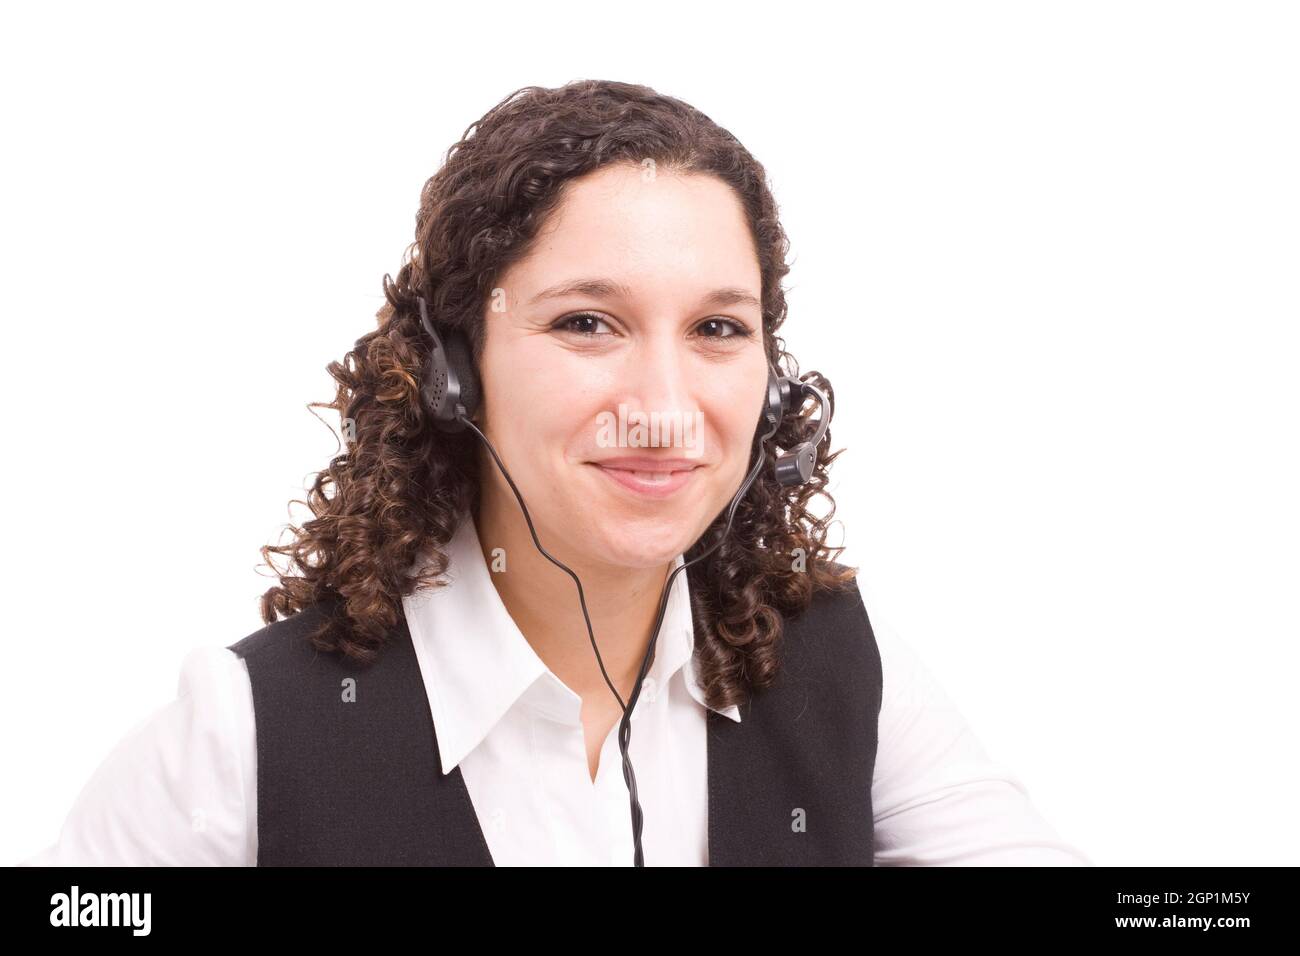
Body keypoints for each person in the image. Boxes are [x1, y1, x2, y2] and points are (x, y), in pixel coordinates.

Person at [20, 79, 1090, 867]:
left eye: (717, 327)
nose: (665, 405)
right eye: (587, 322)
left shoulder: (841, 671)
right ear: (452, 370)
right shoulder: (245, 730)